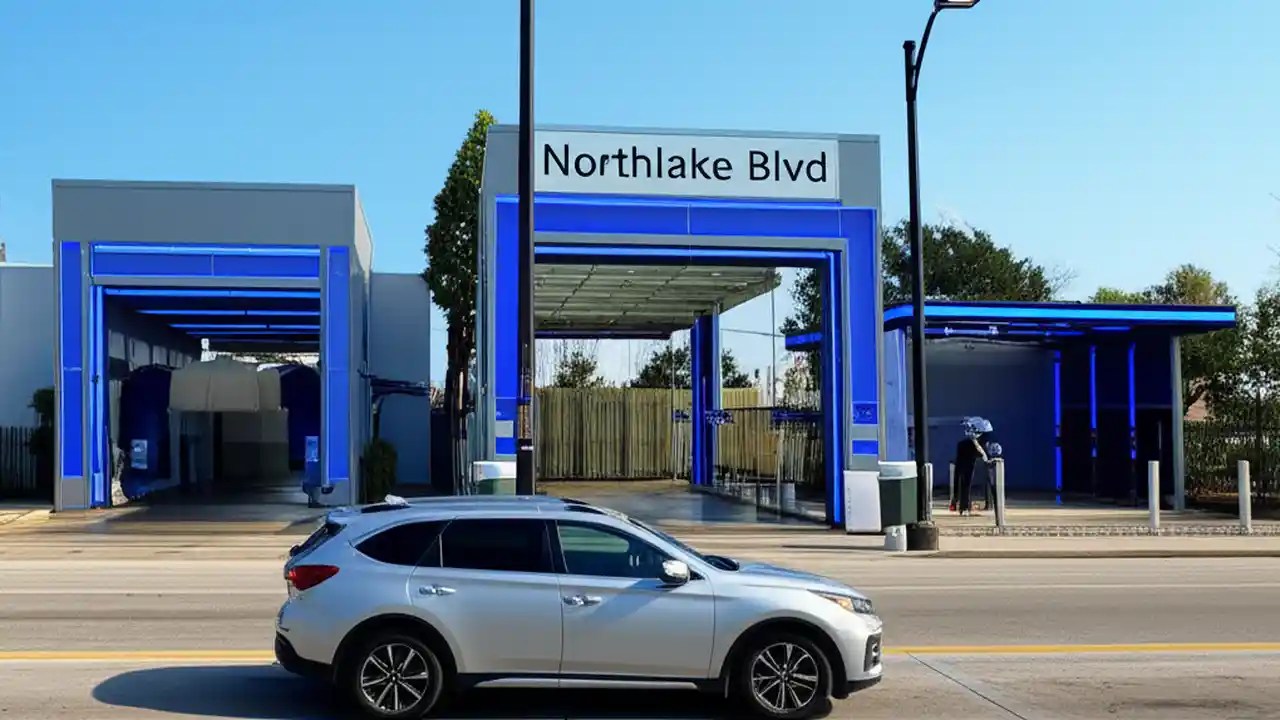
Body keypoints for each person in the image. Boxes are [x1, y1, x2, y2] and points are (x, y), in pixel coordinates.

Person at [950, 417, 1002, 515]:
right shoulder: (967, 444)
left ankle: (994, 504)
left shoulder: (984, 440)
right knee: (965, 477)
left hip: (974, 451)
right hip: (969, 453)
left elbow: (983, 450)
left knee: (989, 478)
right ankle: (962, 505)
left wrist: (986, 457)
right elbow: (977, 447)